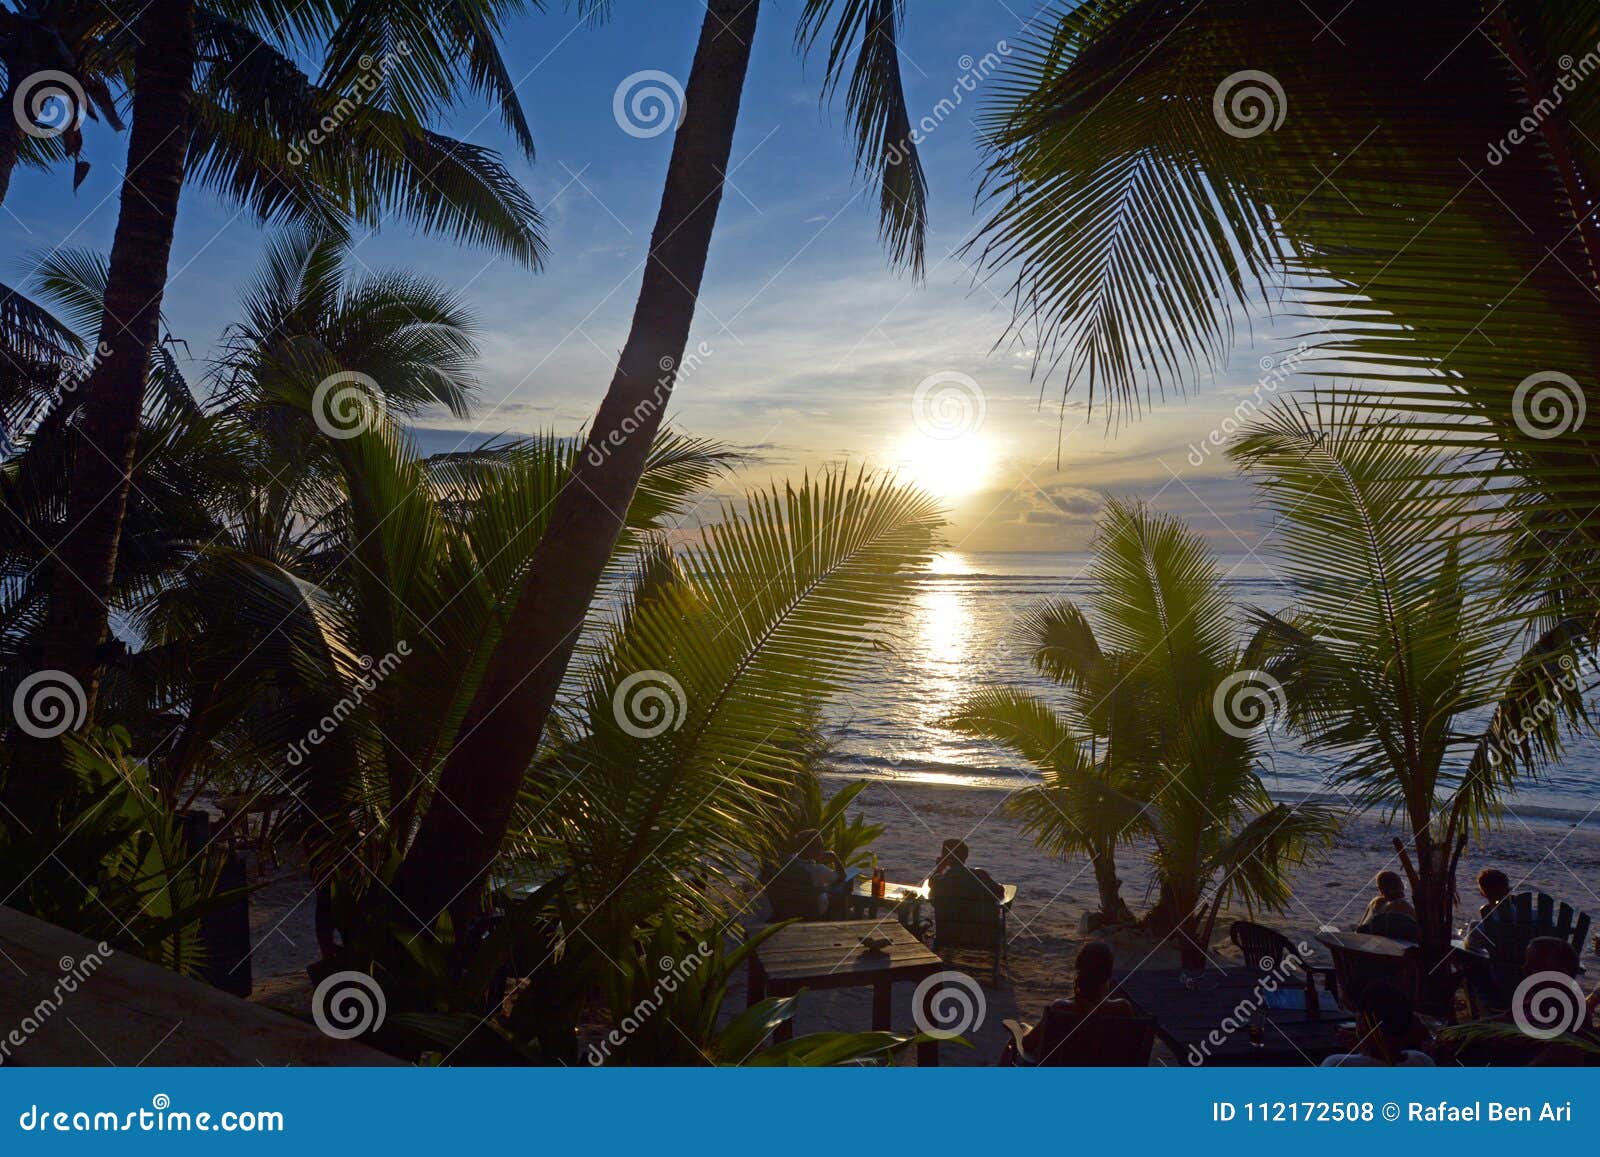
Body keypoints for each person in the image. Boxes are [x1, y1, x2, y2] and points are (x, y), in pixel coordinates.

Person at [1019, 941, 1135, 1057]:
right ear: (1108, 974)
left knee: (1019, 1032)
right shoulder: (1123, 1008)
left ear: (1079, 971)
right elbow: (1131, 1049)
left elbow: (1028, 1044)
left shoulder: (1060, 1008)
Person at [1320, 981, 1434, 1067]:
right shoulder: (1423, 1061)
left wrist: (1366, 1047)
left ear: (1363, 1024)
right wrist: (1365, 1046)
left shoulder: (1337, 1064)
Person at [929, 837, 1003, 899]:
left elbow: (931, 885)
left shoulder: (939, 881)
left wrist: (939, 868)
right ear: (966, 855)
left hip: (948, 916)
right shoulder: (980, 875)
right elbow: (1000, 890)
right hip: (976, 916)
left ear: (944, 858)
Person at [1464, 868, 1515, 952]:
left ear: (1482, 894)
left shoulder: (1478, 928)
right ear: (1508, 890)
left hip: (1497, 962)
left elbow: (1470, 948)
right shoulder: (1533, 916)